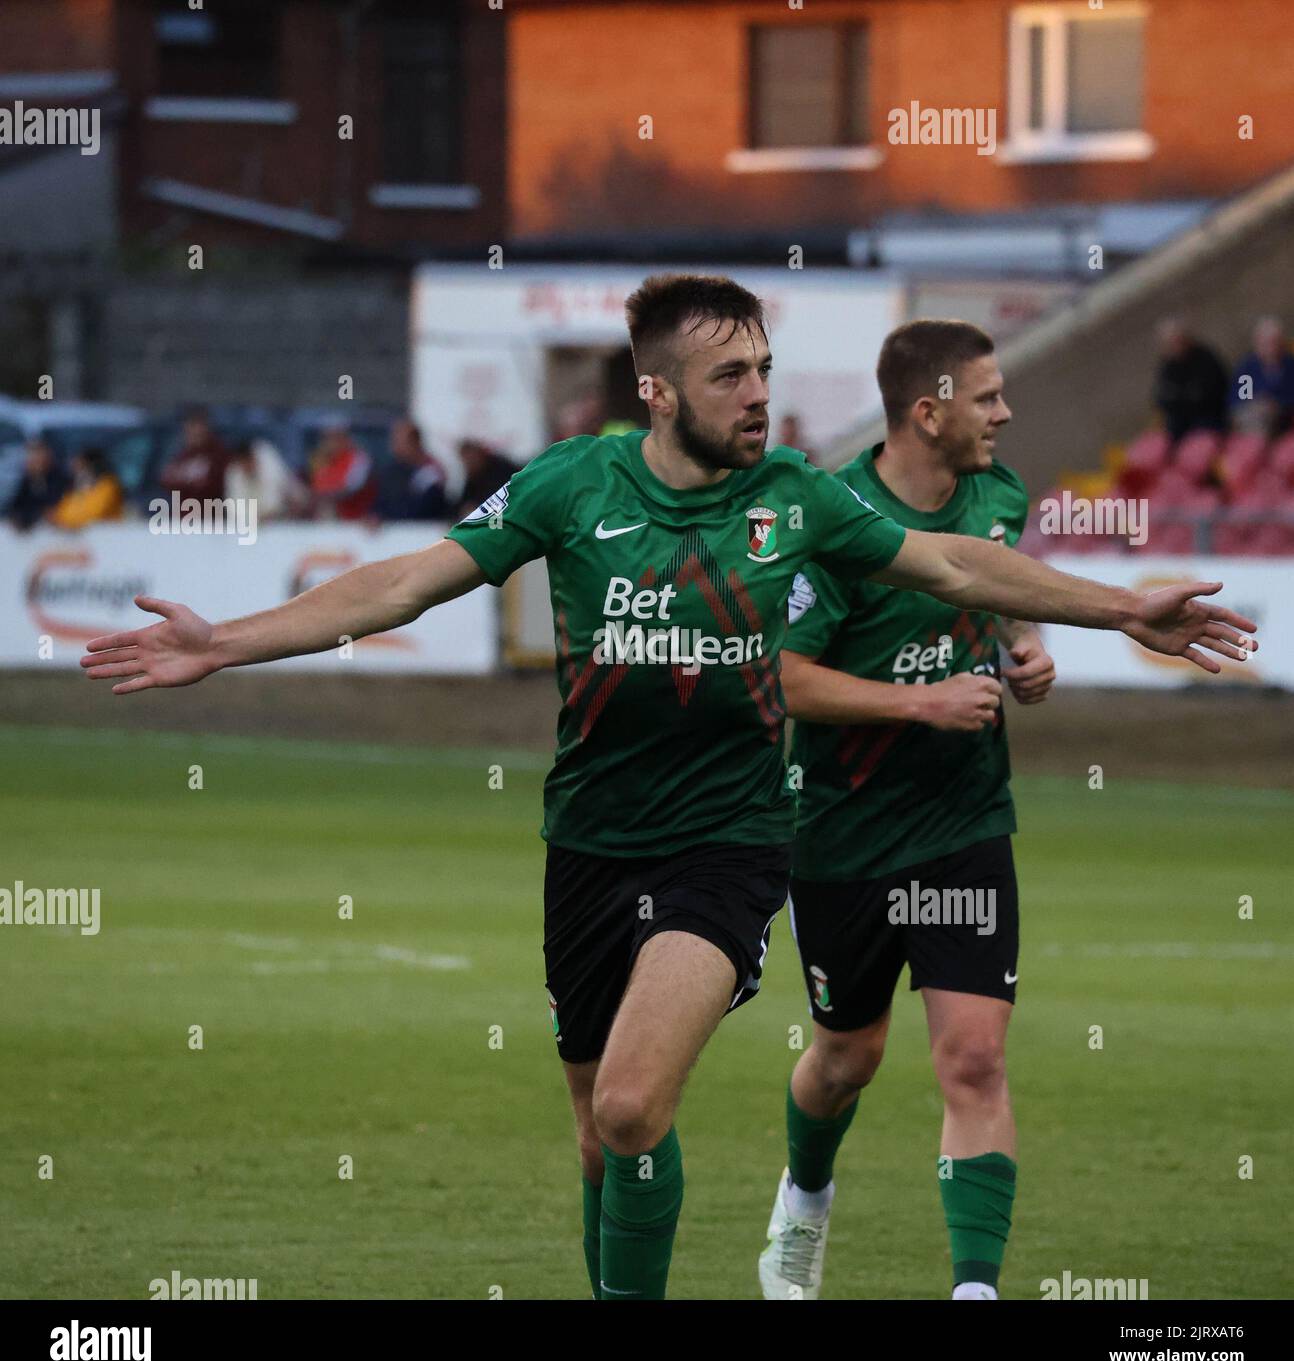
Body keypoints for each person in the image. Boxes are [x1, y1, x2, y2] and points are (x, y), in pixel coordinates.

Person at [80, 274, 1256, 1301]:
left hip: (729, 845)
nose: (758, 392)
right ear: (658, 391)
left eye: (764, 368)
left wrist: (1119, 607)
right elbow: (400, 582)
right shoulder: (570, 487)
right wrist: (223, 641)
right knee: (601, 1140)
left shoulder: (794, 494)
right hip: (589, 844)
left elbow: (952, 558)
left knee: (635, 1107)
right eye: (730, 373)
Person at [758, 319, 1054, 1302]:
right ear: (927, 413)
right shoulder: (833, 521)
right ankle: (803, 1194)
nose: (1005, 412)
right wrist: (917, 702)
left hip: (964, 824)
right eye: (986, 397)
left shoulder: (998, 495)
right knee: (846, 1056)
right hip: (842, 833)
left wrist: (1023, 646)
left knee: (971, 1058)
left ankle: (974, 1290)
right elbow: (782, 679)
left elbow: (1001, 586)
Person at [1153, 319, 1229, 442]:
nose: (1174, 346)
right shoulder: (1167, 366)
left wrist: (1181, 398)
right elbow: (1161, 398)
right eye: (1169, 343)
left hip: (1210, 418)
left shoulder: (1205, 358)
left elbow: (1210, 393)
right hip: (1181, 421)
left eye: (1177, 341)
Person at [374, 420, 449, 522]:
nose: (394, 447)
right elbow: (382, 501)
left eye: (399, 442)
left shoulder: (431, 471)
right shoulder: (393, 470)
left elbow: (423, 508)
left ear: (415, 442)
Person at [1231, 317, 1294, 439]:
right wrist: (1257, 403)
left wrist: (1278, 403)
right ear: (1257, 344)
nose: (1271, 347)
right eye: (1265, 343)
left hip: (1285, 421)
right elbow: (1239, 400)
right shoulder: (1248, 369)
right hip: (1255, 422)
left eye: (1274, 342)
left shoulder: (1289, 366)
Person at [224, 438, 310, 521]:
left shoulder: (268, 460)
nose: (246, 467)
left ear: (252, 458)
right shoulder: (234, 474)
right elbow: (234, 506)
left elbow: (277, 494)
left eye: (248, 463)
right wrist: (254, 517)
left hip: (285, 510)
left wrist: (269, 513)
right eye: (243, 464)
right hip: (257, 519)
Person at [159, 409, 230, 505]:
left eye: (197, 429)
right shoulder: (182, 456)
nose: (192, 434)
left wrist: (187, 482)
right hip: (182, 514)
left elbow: (215, 486)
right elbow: (166, 480)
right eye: (189, 430)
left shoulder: (219, 455)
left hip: (210, 515)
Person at [49, 448, 124, 529]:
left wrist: (63, 520)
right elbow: (61, 512)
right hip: (84, 536)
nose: (76, 471)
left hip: (109, 535)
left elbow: (93, 515)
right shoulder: (78, 488)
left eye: (81, 467)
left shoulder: (109, 485)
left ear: (92, 466)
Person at [4, 437, 67, 531]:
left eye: (37, 454)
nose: (32, 459)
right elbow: (15, 505)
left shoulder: (59, 478)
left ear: (47, 455)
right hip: (32, 532)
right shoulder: (27, 480)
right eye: (30, 455)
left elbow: (50, 507)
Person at [453, 439, 515, 523]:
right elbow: (464, 501)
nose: (469, 462)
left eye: (471, 457)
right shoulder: (474, 473)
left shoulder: (500, 469)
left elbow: (499, 497)